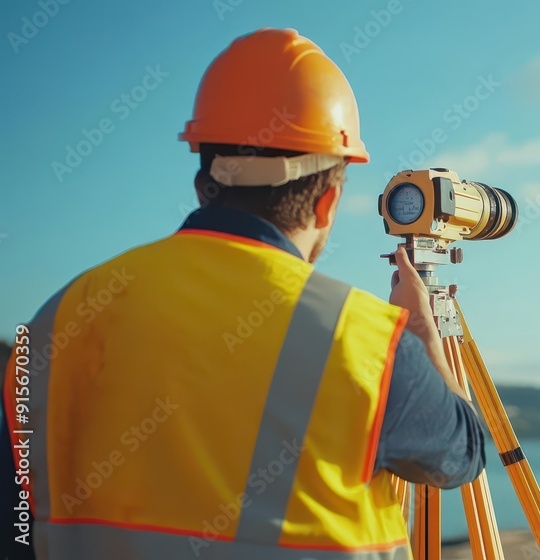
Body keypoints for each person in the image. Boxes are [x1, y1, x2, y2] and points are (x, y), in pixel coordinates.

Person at [2, 28, 485, 559]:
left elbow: (18, 523)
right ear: (327, 202)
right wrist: (422, 334)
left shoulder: (59, 317)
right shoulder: (366, 341)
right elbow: (462, 452)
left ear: (202, 178)